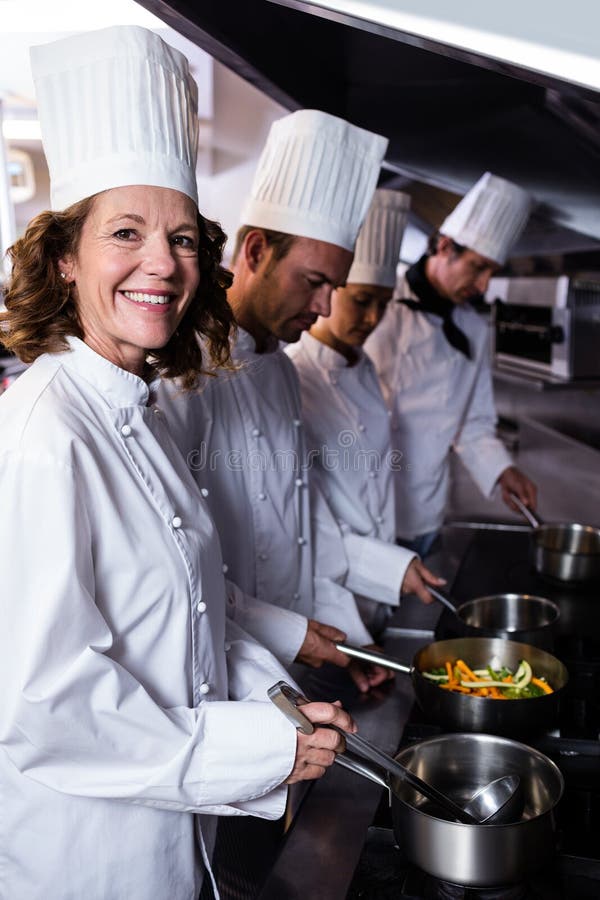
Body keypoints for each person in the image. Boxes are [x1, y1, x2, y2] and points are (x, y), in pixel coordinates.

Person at [0, 27, 354, 900]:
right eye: (126, 233)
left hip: (172, 832)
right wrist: (256, 748)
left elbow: (194, 612)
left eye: (186, 237)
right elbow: (47, 709)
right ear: (62, 255)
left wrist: (283, 709)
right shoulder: (47, 432)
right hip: (85, 860)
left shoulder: (141, 408)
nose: (163, 263)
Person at [160, 109, 401, 693]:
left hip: (290, 661)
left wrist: (341, 631)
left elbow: (303, 523)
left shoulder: (283, 371)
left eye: (333, 289)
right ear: (256, 250)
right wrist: (294, 635)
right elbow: (176, 563)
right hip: (221, 668)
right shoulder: (179, 370)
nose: (324, 308)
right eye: (313, 281)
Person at [287, 189, 445, 636]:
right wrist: (390, 567)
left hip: (379, 584)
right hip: (327, 597)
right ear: (331, 289)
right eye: (361, 300)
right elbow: (308, 521)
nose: (374, 317)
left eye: (384, 301)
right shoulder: (296, 377)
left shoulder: (364, 365)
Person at [365, 172, 538, 558]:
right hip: (363, 511)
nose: (483, 286)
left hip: (424, 513)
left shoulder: (473, 330)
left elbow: (473, 423)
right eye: (478, 268)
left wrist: (501, 470)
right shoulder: (374, 306)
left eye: (492, 272)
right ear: (444, 246)